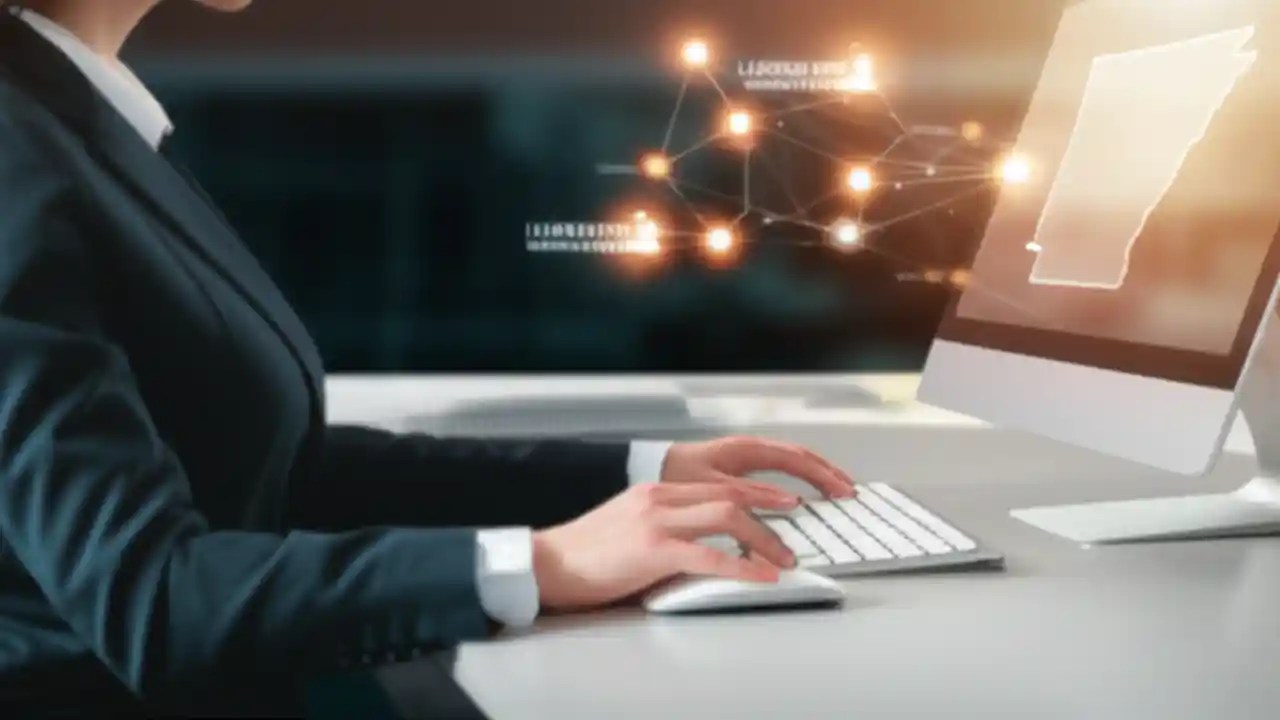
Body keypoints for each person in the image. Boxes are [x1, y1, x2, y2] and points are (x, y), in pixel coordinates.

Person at [0, 0, 857, 715]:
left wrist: (641, 474)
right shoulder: (18, 151)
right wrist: (545, 564)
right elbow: (150, 598)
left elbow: (280, 474)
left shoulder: (77, 119)